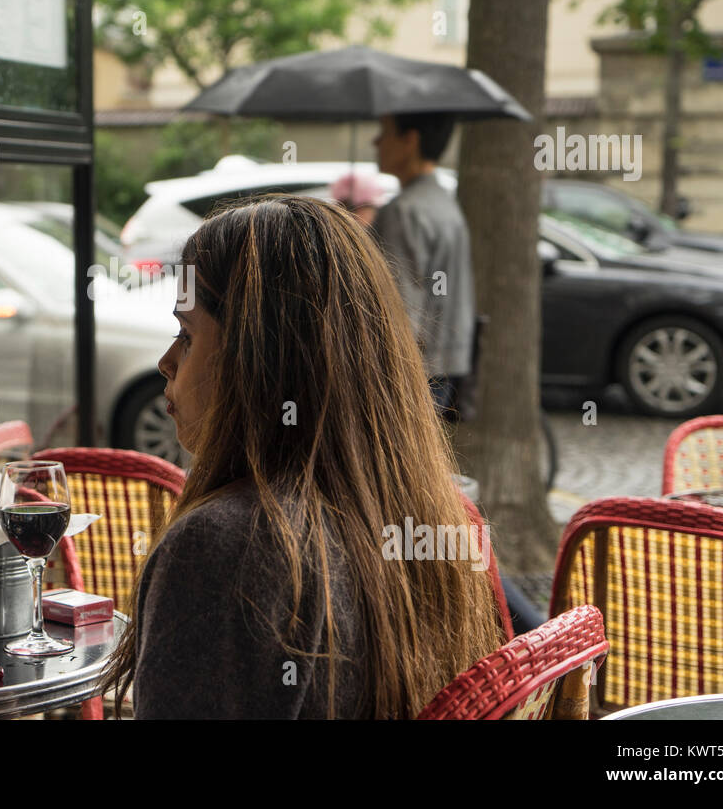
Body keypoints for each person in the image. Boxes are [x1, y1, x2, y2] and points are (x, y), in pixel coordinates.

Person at [103, 196, 504, 718]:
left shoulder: (229, 547)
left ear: (256, 357)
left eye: (187, 334)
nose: (166, 362)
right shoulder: (431, 517)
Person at [370, 112, 475, 420]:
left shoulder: (404, 212)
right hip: (444, 364)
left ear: (409, 141)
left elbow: (399, 309)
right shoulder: (444, 202)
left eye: (384, 131)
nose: (375, 141)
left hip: (408, 370)